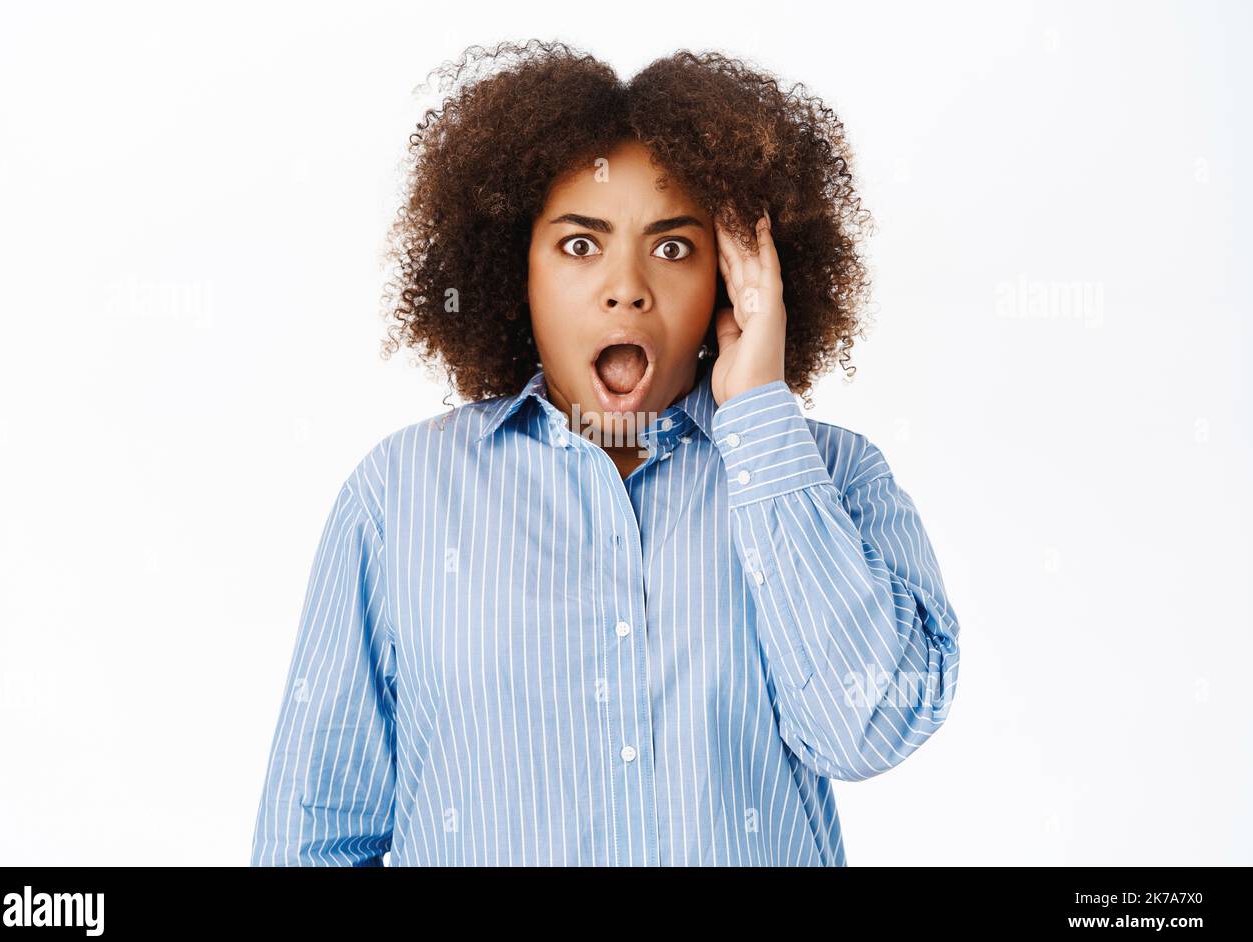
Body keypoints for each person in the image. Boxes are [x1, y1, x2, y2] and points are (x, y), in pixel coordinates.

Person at [250, 41, 961, 866]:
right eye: (581, 245)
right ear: (515, 269)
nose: (626, 286)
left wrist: (762, 417)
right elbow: (314, 836)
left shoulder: (833, 477)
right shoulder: (400, 496)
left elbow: (865, 729)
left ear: (733, 282)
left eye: (673, 247)